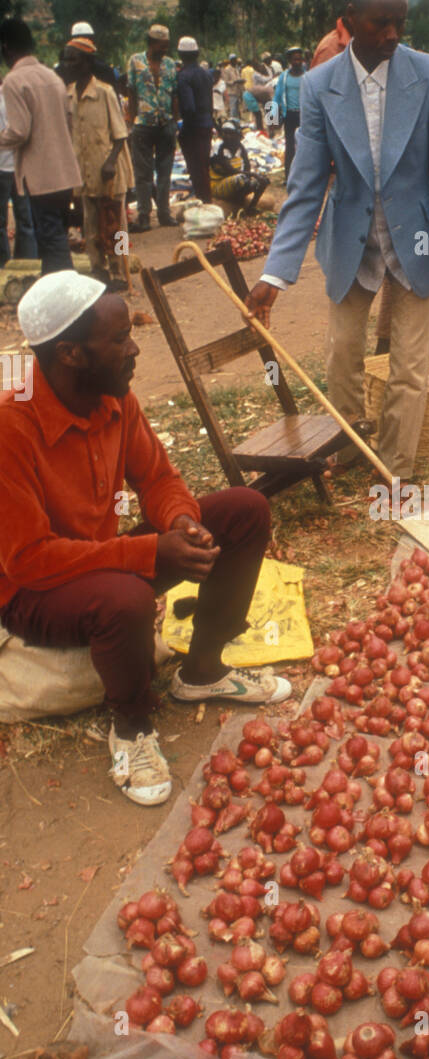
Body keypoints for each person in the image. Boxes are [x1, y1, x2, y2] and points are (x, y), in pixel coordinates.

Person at [0, 273, 290, 803]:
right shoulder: (10, 425)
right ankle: (131, 727)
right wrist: (147, 551)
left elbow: (157, 479)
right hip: (32, 593)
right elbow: (27, 560)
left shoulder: (113, 396)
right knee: (126, 595)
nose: (135, 348)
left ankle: (203, 671)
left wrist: (181, 521)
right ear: (70, 354)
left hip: (102, 563)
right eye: (119, 339)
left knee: (244, 510)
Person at [245, 0, 429, 482]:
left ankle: (395, 470)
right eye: (379, 22)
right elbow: (305, 188)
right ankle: (351, 449)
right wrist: (274, 274)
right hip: (351, 243)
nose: (393, 33)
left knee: (409, 366)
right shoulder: (321, 84)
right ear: (350, 17)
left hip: (415, 241)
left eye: (400, 21)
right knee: (342, 356)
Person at [0, 18, 82, 273]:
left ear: (6, 48)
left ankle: (70, 298)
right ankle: (56, 296)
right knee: (54, 238)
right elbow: (68, 122)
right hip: (64, 174)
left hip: (40, 178)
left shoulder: (14, 81)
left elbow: (20, 131)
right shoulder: (53, 77)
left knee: (53, 243)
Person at [64, 35, 134, 289]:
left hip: (109, 173)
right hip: (84, 171)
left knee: (116, 226)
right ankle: (99, 271)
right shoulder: (69, 95)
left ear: (87, 62)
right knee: (91, 227)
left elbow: (120, 135)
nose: (68, 64)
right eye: (67, 59)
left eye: (73, 59)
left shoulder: (105, 93)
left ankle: (121, 272)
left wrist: (110, 162)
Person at [126, 24, 178, 231]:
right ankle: (144, 215)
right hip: (143, 125)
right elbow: (131, 92)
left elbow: (174, 95)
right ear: (151, 43)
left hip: (166, 124)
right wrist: (131, 121)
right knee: (143, 173)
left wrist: (175, 121)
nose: (164, 49)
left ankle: (164, 214)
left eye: (166, 46)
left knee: (165, 172)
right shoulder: (135, 61)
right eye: (161, 46)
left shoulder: (171, 64)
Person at [0, 74, 37, 265]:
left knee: (1, 222)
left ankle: (4, 265)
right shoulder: (15, 99)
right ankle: (28, 263)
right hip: (20, 166)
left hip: (2, 167)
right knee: (25, 219)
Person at [176, 36, 214, 204]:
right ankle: (206, 199)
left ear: (180, 55)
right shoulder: (206, 74)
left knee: (196, 167)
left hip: (194, 126)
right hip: (206, 123)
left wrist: (184, 129)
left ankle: (204, 201)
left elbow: (189, 107)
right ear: (197, 53)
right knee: (204, 164)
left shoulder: (183, 76)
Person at [209, 120, 269, 212]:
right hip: (218, 184)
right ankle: (236, 204)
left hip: (234, 182)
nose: (228, 136)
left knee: (263, 180)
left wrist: (255, 178)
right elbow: (230, 170)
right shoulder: (218, 147)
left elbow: (247, 166)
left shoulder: (240, 147)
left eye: (231, 134)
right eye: (226, 133)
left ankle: (250, 208)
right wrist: (253, 175)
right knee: (241, 179)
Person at [273, 47, 305, 183]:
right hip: (289, 116)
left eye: (299, 59)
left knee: (304, 146)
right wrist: (272, 120)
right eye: (295, 59)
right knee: (290, 146)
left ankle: (303, 177)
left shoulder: (307, 75)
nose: (297, 62)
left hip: (304, 116)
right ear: (290, 61)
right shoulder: (284, 77)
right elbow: (277, 97)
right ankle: (289, 177)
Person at [222, 54, 244, 120]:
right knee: (233, 109)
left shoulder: (236, 68)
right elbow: (226, 81)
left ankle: (237, 122)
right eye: (234, 60)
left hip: (238, 91)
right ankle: (232, 121)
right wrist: (234, 82)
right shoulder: (227, 69)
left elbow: (238, 77)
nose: (235, 61)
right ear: (231, 61)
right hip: (231, 91)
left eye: (236, 60)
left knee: (237, 108)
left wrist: (240, 81)